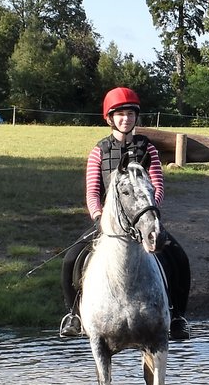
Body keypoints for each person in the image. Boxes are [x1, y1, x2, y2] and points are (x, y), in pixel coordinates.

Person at [60, 87, 191, 339]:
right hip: (109, 223)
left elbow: (157, 186)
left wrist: (150, 214)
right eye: (120, 114)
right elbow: (92, 191)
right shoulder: (99, 151)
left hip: (143, 220)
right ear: (110, 118)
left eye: (130, 114)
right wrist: (99, 217)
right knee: (70, 259)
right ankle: (74, 316)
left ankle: (177, 318)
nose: (126, 119)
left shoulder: (148, 149)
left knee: (179, 258)